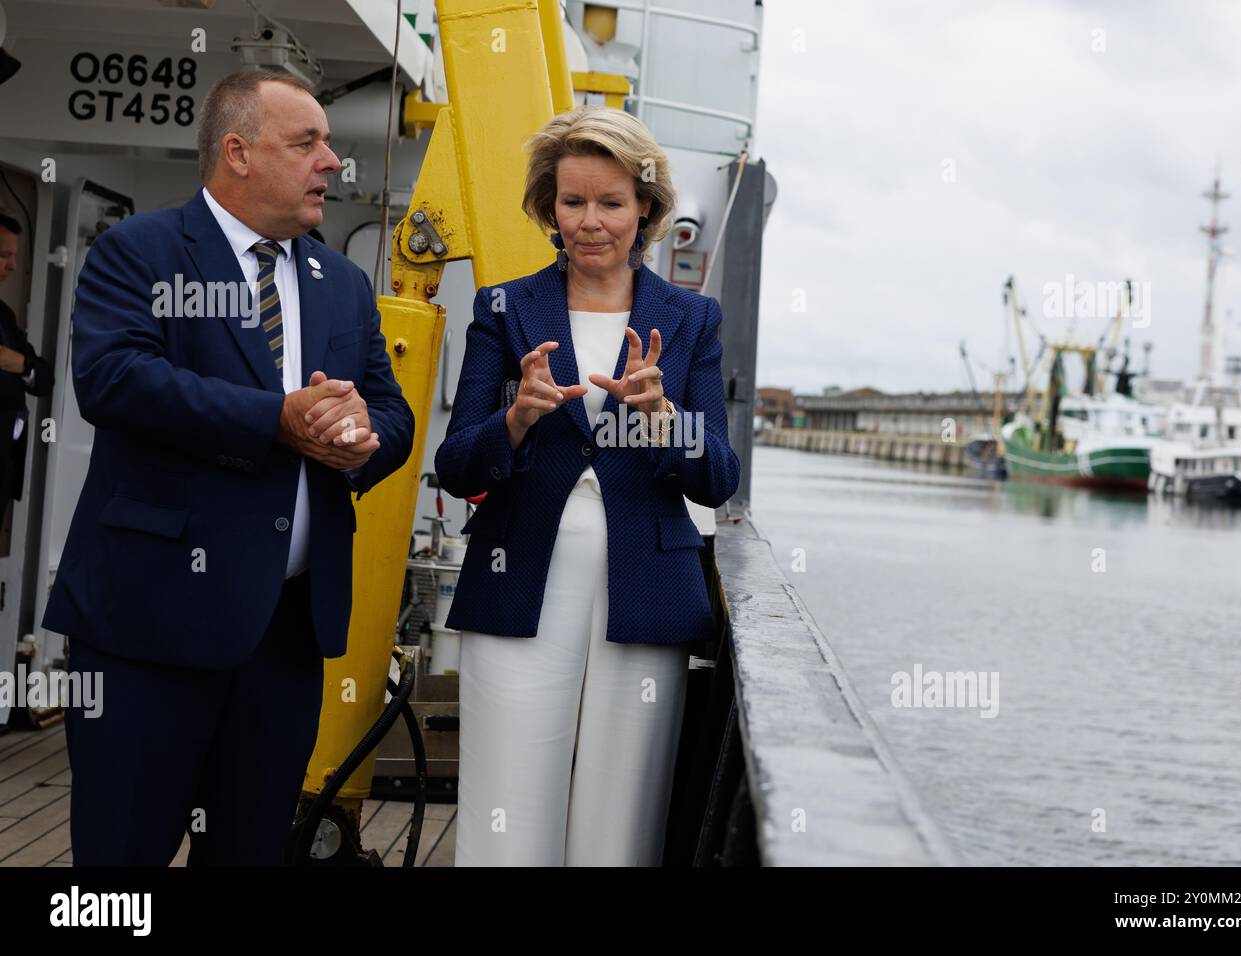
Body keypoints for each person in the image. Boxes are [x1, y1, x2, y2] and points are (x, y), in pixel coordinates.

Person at [41, 69, 415, 866]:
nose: (332, 163)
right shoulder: (138, 250)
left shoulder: (342, 283)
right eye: (307, 143)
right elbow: (113, 378)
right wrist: (276, 423)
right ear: (238, 153)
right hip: (148, 629)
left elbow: (391, 410)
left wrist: (359, 438)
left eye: (329, 144)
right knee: (118, 863)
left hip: (283, 640)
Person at [434, 106, 741, 866]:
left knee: (620, 827)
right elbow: (457, 463)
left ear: (646, 208)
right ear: (549, 207)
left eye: (611, 202)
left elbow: (719, 480)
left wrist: (665, 417)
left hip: (646, 585)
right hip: (519, 575)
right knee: (507, 808)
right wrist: (515, 419)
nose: (591, 221)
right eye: (573, 201)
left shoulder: (693, 318)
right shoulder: (504, 308)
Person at [0, 211, 53, 509]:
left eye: (14, 256)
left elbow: (44, 378)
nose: (12, 266)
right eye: (3, 255)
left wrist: (17, 363)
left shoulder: (5, 315)